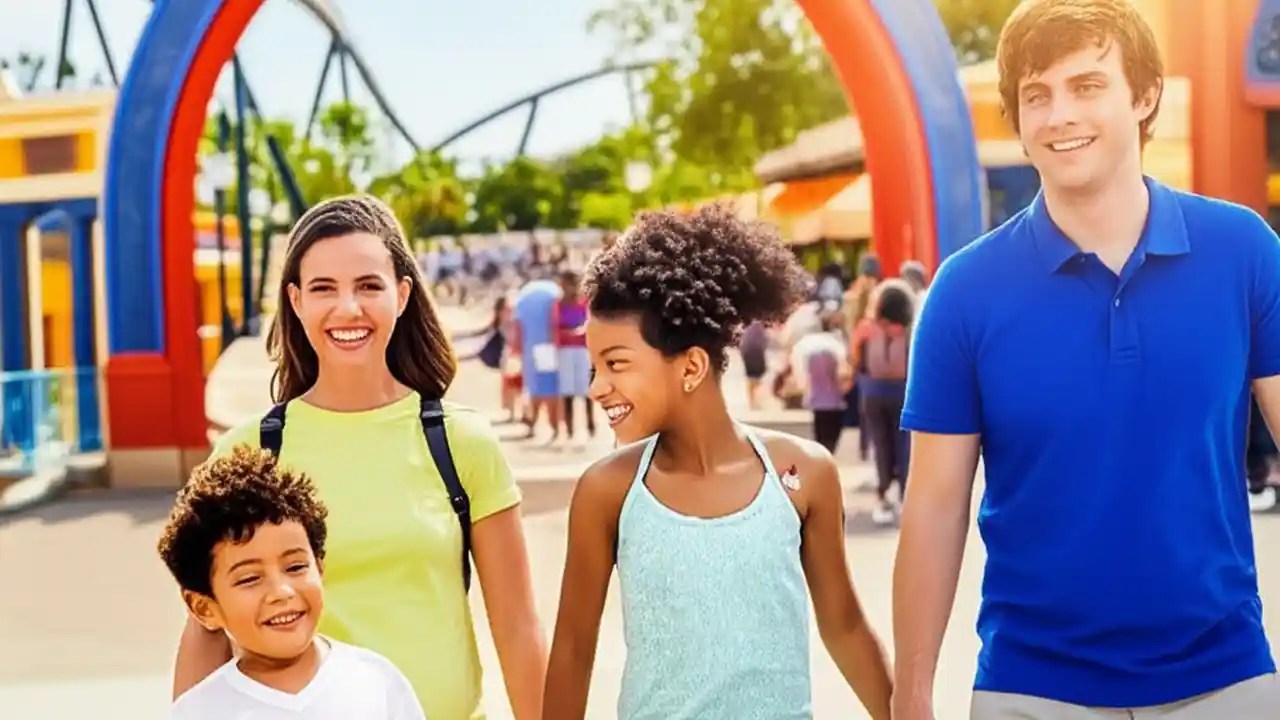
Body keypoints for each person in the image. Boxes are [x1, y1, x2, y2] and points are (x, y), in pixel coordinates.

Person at [893, 2, 1280, 718]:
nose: (1059, 115)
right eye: (1036, 96)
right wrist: (910, 694)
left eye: (1087, 85)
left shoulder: (1245, 252)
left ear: (1144, 95)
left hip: (1226, 678)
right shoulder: (965, 291)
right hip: (1030, 685)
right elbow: (934, 506)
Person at [173, 195, 547, 720]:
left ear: (402, 294)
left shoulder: (461, 443)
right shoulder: (249, 451)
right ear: (296, 301)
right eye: (324, 288)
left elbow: (517, 626)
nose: (348, 308)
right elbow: (208, 633)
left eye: (369, 286)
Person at [543, 205, 893, 720]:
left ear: (691, 365)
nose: (596, 387)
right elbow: (573, 650)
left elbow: (844, 626)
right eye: (594, 366)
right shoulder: (609, 492)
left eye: (615, 364)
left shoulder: (803, 476)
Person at [159, 446, 426, 719]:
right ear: (204, 608)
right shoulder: (199, 712)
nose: (282, 592)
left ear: (319, 568)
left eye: (296, 567)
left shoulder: (375, 682)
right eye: (250, 578)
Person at [789, 310, 853, 454]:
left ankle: (822, 455)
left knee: (820, 431)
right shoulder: (836, 345)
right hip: (835, 399)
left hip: (816, 398)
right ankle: (829, 453)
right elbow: (843, 373)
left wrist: (803, 388)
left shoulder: (809, 344)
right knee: (833, 431)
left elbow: (801, 371)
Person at [512, 276, 563, 441]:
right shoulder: (554, 293)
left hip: (530, 347)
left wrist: (516, 348)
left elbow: (518, 327)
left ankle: (533, 423)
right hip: (550, 346)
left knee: (534, 388)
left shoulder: (523, 297)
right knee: (550, 388)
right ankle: (554, 426)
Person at [554, 269, 595, 440]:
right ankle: (569, 428)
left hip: (581, 349)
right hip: (565, 349)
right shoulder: (558, 304)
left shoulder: (584, 303)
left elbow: (590, 324)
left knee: (586, 389)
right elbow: (555, 327)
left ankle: (590, 423)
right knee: (567, 390)